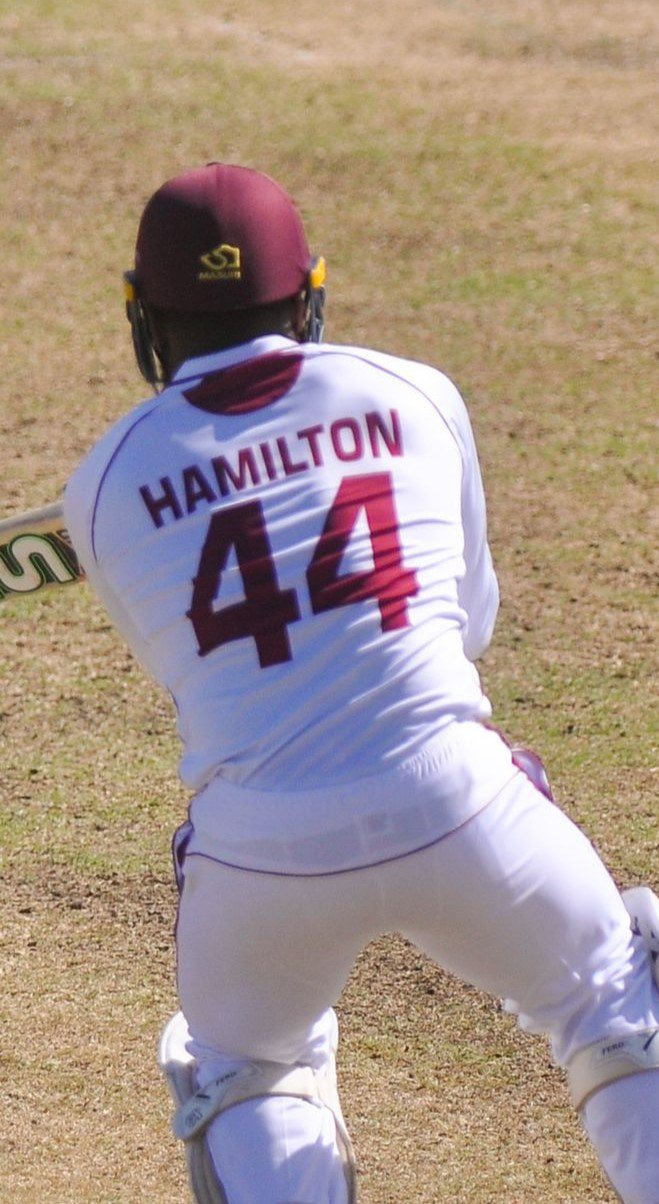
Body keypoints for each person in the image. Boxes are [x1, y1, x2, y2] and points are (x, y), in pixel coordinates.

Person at [62, 162, 659, 1202]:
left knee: (247, 1065)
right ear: (309, 294)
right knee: (614, 1001)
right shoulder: (414, 392)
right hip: (458, 803)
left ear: (141, 314)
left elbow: (193, 676)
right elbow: (470, 623)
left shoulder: (103, 480)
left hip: (260, 847)